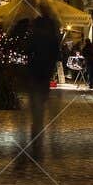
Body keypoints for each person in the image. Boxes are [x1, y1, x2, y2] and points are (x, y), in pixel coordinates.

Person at [21, 10, 61, 160]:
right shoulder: (51, 38)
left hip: (34, 75)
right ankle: (39, 143)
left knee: (36, 111)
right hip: (44, 76)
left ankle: (36, 141)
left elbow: (26, 51)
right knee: (40, 110)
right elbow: (58, 56)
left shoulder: (34, 36)